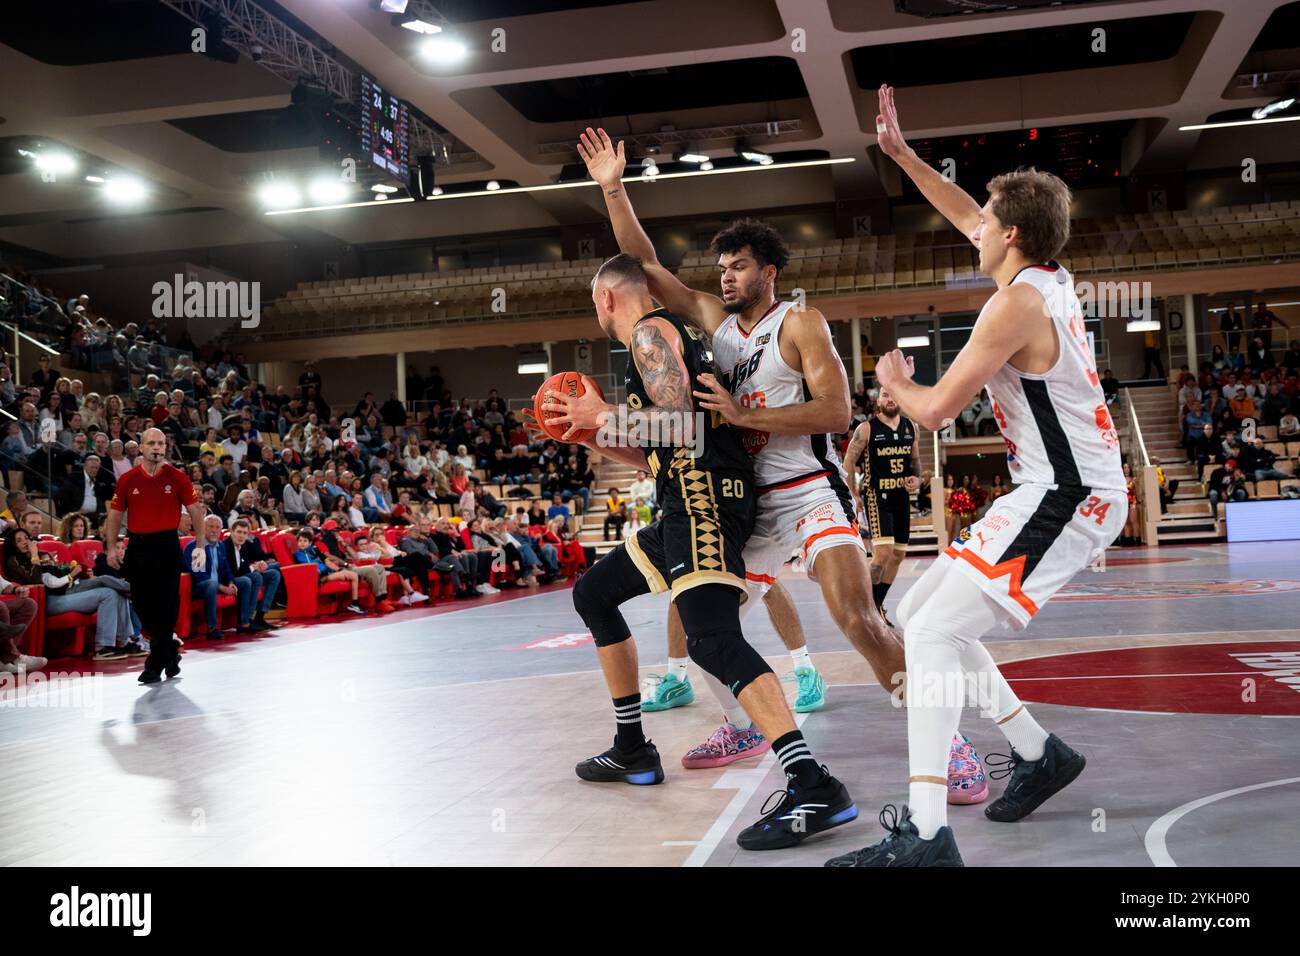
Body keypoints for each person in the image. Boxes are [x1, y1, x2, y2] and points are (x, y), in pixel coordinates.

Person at [580, 130, 982, 795]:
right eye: (722, 268)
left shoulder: (802, 324)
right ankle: (742, 721)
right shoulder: (712, 321)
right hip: (749, 502)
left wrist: (743, 417)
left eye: (738, 266)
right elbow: (643, 267)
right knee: (700, 620)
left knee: (859, 620)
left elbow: (833, 413)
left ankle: (953, 745)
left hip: (808, 491)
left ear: (768, 272)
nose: (725, 277)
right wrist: (613, 188)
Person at [827, 87, 1124, 867]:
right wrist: (902, 156)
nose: (974, 230)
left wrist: (892, 380)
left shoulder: (1012, 310)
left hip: (1072, 494)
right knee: (926, 607)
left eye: (986, 224)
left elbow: (931, 414)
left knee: (926, 629)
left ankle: (927, 834)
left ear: (1012, 234)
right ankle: (1036, 752)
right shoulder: (1040, 274)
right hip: (1053, 486)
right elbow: (962, 206)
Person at [541, 251, 856, 852]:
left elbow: (684, 427)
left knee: (712, 639)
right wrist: (598, 434)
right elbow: (668, 448)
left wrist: (604, 411)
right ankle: (632, 748)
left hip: (703, 503)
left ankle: (812, 783)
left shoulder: (650, 333)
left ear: (606, 298)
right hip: (685, 497)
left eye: (593, 304)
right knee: (594, 593)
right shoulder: (673, 332)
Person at [104, 427, 207, 683]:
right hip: (138, 546)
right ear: (141, 447)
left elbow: (195, 510)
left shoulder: (178, 477)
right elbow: (115, 515)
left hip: (167, 545)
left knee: (167, 603)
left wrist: (200, 544)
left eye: (161, 443)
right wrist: (110, 547)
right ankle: (170, 652)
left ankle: (154, 665)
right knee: (141, 603)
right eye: (151, 443)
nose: (157, 448)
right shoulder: (127, 479)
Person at [844, 386, 924, 626]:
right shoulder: (867, 428)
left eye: (893, 394)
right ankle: (866, 608)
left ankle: (876, 605)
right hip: (876, 496)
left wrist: (917, 478)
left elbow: (915, 460)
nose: (890, 399)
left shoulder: (911, 427)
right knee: (883, 553)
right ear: (877, 400)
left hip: (901, 497)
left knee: (898, 555)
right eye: (885, 395)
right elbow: (848, 462)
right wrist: (853, 493)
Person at [223, 517, 283, 632]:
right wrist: (253, 568)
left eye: (245, 533)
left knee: (274, 574)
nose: (241, 536)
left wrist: (259, 565)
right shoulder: (225, 546)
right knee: (256, 577)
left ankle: (260, 616)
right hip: (230, 579)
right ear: (231, 532)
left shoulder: (243, 546)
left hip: (244, 576)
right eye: (239, 532)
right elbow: (232, 571)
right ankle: (247, 620)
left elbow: (244, 568)